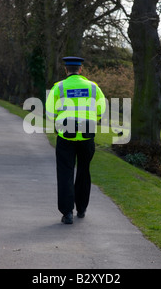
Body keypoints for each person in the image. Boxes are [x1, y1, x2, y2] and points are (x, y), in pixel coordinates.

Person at [45, 56, 106, 224]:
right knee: (84, 171)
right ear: (81, 70)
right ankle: (81, 209)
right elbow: (102, 109)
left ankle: (67, 213)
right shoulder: (93, 87)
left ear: (66, 70)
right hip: (87, 134)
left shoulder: (59, 87)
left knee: (65, 172)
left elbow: (50, 113)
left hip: (66, 134)